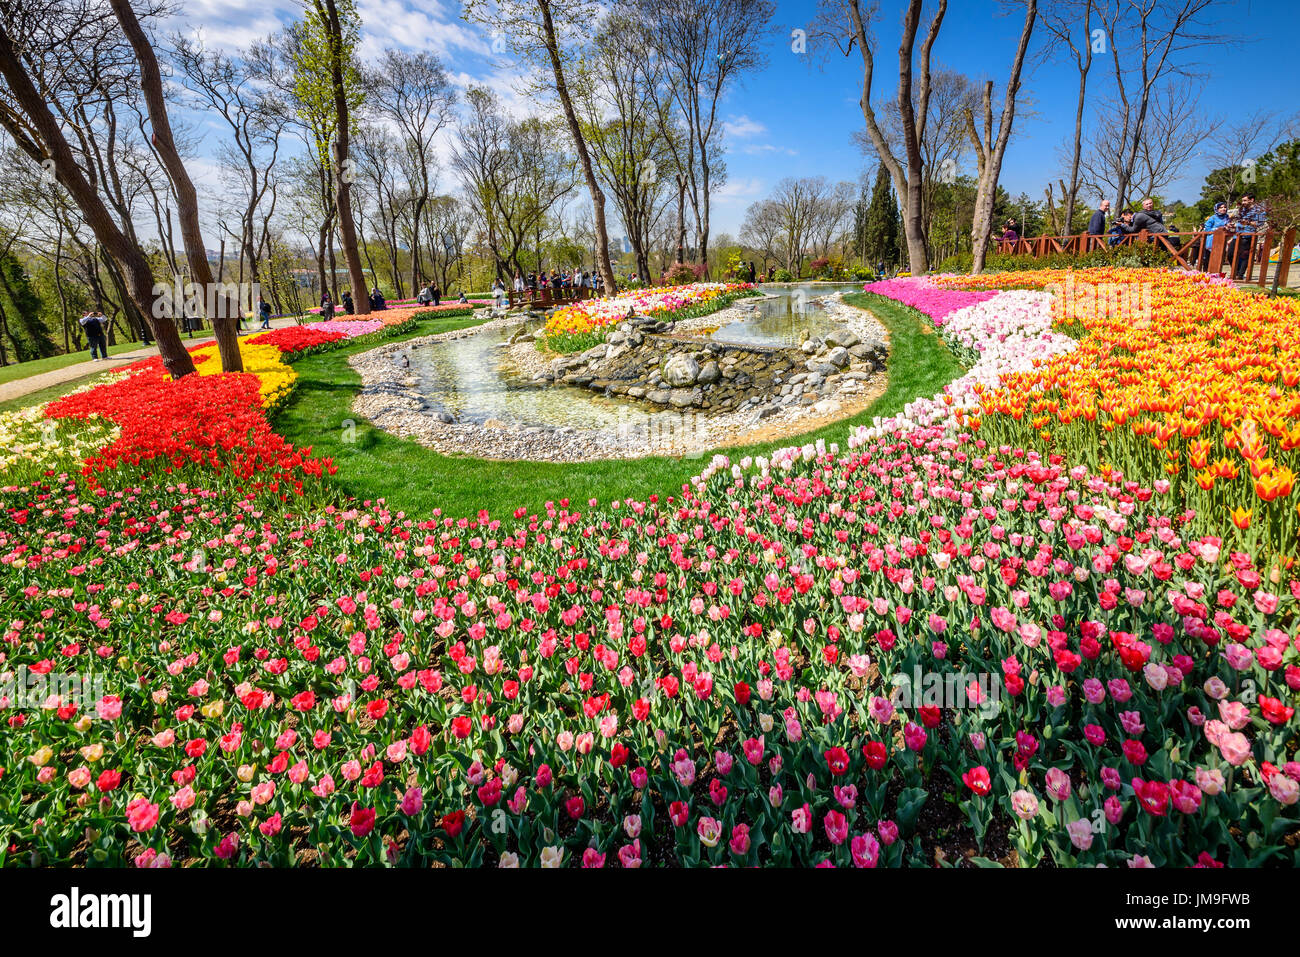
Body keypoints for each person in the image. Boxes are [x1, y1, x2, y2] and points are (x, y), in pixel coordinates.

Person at [1233, 193, 1267, 279]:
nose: (1243, 202)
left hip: (1248, 235)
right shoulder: (1242, 210)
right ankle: (1236, 271)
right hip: (1237, 234)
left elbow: (1260, 224)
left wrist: (1248, 223)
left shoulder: (1259, 210)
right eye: (1242, 200)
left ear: (1251, 200)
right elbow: (1236, 219)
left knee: (1244, 255)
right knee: (1230, 253)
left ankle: (1240, 274)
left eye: (1245, 200)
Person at [1200, 202, 1232, 271]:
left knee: (1219, 258)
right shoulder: (1213, 218)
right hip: (1211, 239)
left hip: (1222, 240)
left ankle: (1216, 273)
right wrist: (1218, 229)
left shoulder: (1227, 217)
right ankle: (1205, 273)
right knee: (1208, 258)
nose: (1223, 209)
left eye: (1225, 207)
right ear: (1217, 209)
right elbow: (1207, 229)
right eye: (1221, 207)